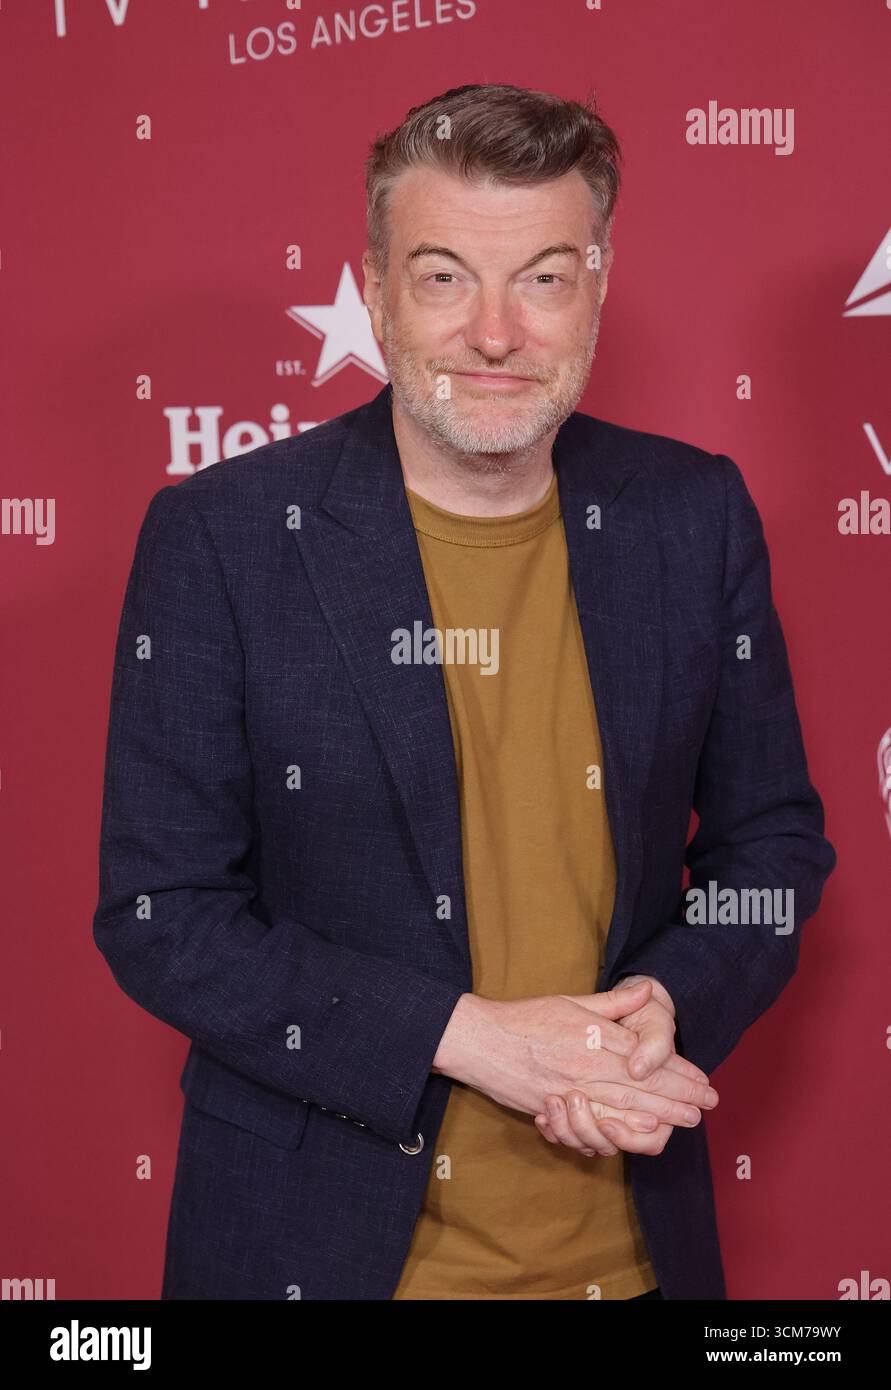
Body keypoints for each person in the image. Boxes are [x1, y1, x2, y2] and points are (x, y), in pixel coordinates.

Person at [93, 83, 836, 1300]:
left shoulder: (693, 515)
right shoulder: (223, 538)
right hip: (318, 1258)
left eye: (542, 277)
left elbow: (773, 848)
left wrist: (671, 998)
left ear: (598, 284)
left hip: (634, 1262)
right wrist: (473, 1039)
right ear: (377, 289)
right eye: (444, 277)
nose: (496, 333)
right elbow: (162, 916)